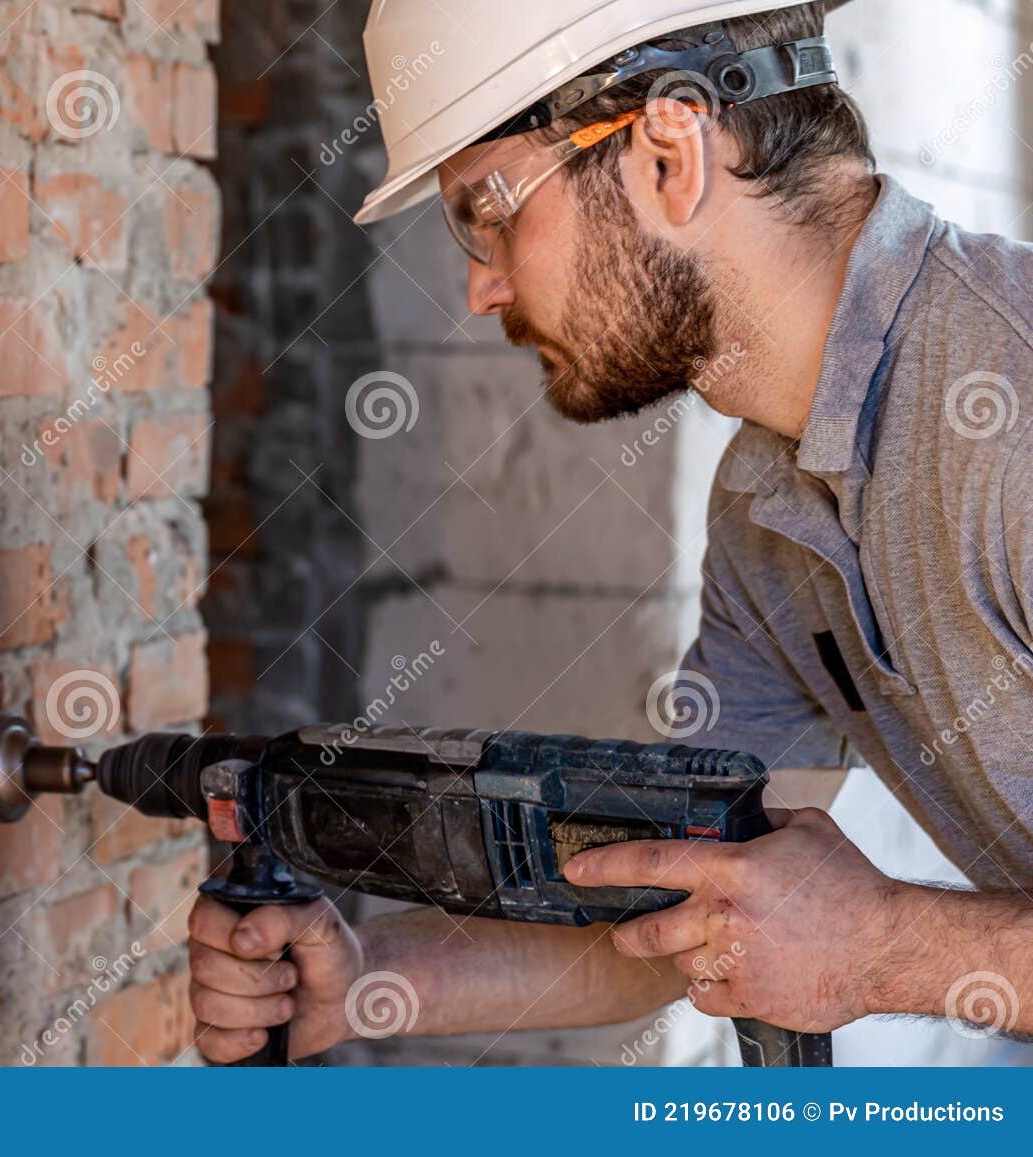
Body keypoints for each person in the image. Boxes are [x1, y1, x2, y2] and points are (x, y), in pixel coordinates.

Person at [188, 0, 1033, 1063]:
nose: (480, 283)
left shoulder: (1010, 412)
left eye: (486, 210)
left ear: (669, 154)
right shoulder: (763, 511)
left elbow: (848, 940)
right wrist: (366, 979)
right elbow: (678, 902)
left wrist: (880, 946)